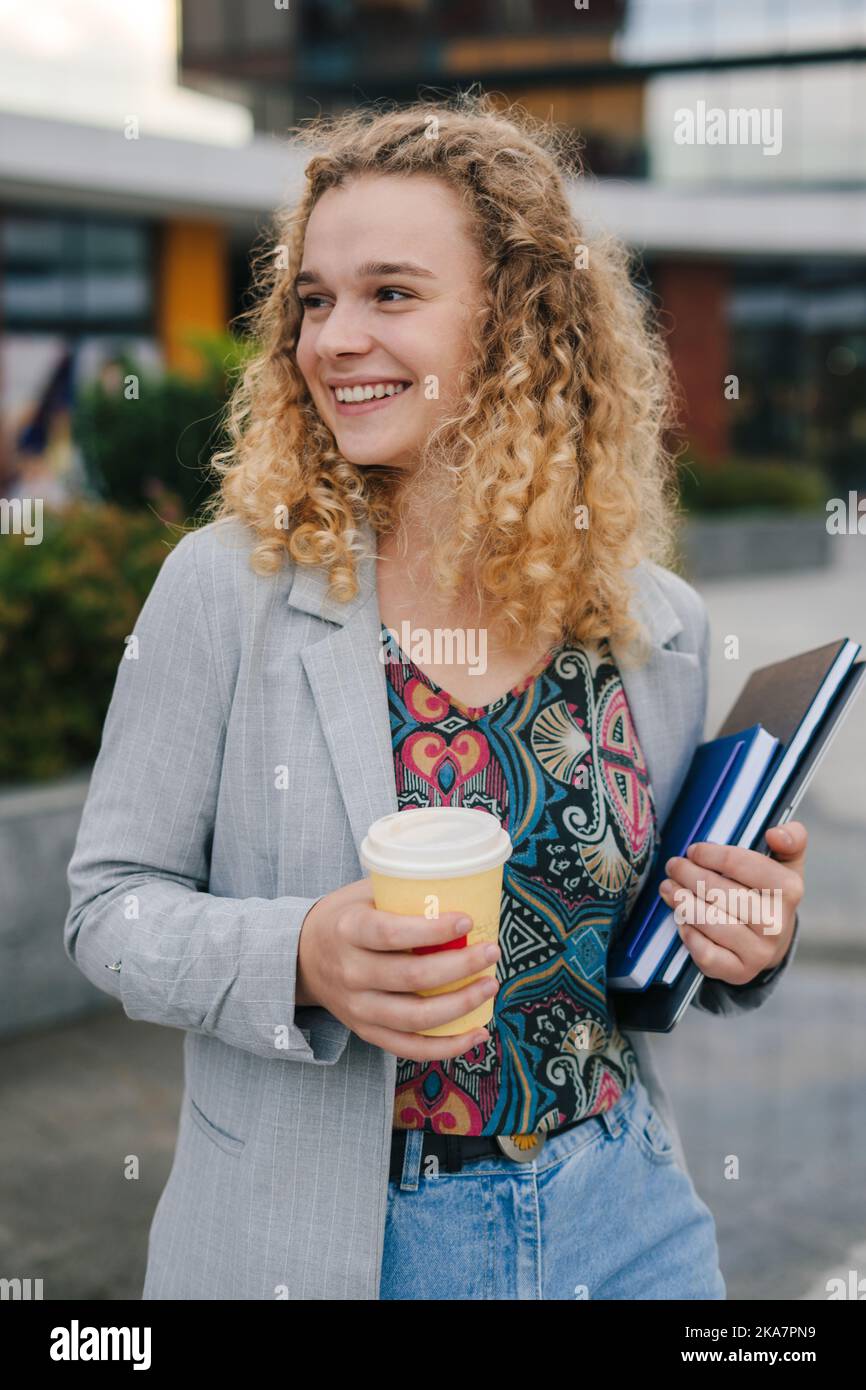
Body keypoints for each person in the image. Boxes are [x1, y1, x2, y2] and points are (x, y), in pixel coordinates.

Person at [64, 94, 806, 1301]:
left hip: (623, 1221)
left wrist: (742, 943)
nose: (332, 338)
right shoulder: (225, 588)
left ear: (517, 323)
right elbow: (108, 910)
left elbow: (643, 950)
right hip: (334, 1242)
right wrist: (301, 950)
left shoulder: (650, 619)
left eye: (390, 294)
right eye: (314, 299)